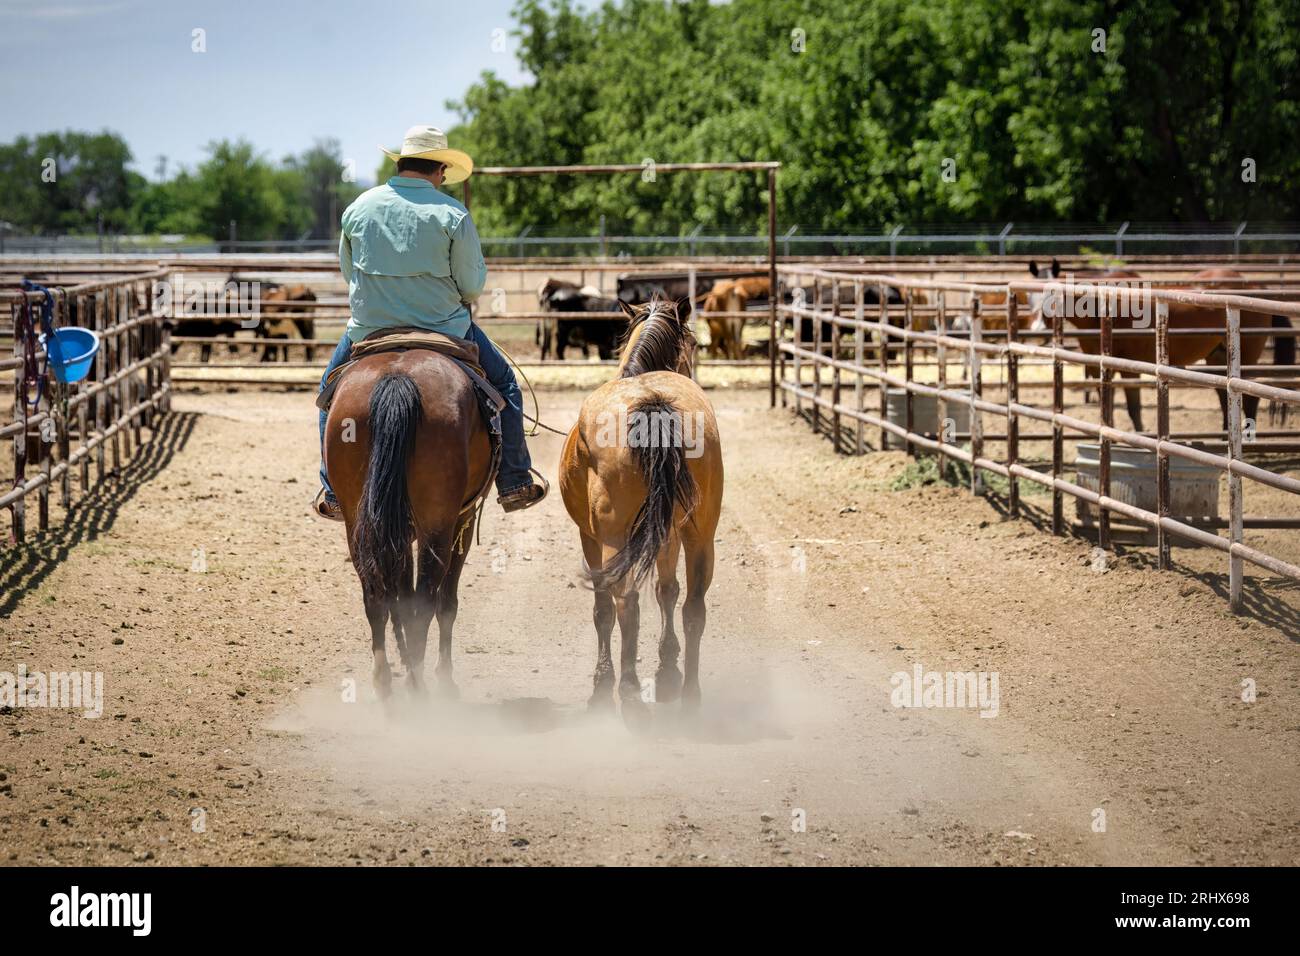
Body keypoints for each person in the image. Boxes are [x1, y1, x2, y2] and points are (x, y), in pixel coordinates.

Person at [314, 125, 546, 520]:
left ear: (402, 163)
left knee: (328, 394)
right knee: (506, 384)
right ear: (438, 169)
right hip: (444, 330)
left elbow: (349, 272)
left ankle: (333, 488)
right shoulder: (452, 214)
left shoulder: (358, 208)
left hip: (370, 331)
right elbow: (471, 286)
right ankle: (513, 478)